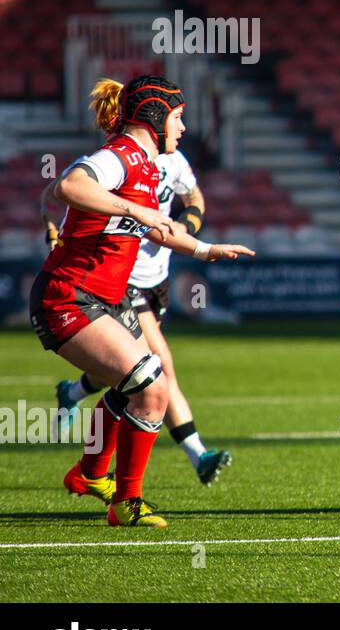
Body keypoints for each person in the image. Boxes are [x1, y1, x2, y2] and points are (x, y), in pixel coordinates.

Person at [29, 76, 254, 528]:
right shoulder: (123, 156)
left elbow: (147, 226)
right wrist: (134, 210)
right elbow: (71, 186)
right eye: (178, 117)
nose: (185, 127)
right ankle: (127, 502)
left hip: (103, 298)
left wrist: (205, 250)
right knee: (152, 387)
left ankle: (92, 475)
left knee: (132, 386)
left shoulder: (146, 166)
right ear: (154, 118)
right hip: (70, 297)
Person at [45, 142, 233, 486]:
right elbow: (55, 192)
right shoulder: (111, 162)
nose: (182, 128)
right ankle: (197, 454)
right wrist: (53, 231)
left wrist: (186, 229)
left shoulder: (173, 161)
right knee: (158, 363)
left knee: (126, 372)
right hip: (122, 279)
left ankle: (73, 399)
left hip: (156, 280)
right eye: (175, 118)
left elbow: (194, 199)